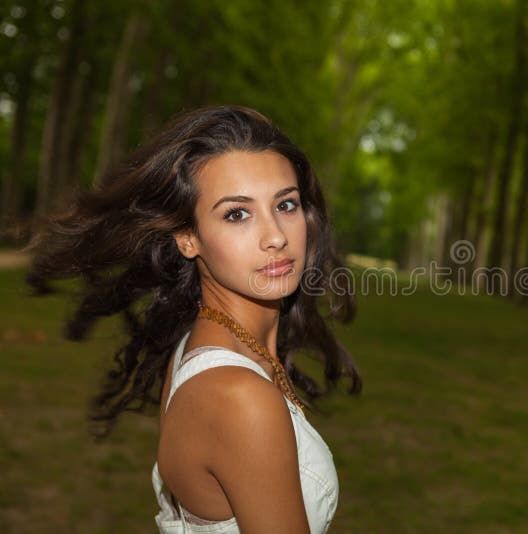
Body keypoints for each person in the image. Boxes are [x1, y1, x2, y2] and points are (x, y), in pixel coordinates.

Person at [25, 105, 361, 533]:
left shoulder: (205, 345)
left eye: (286, 204)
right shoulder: (239, 396)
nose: (276, 235)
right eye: (237, 213)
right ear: (187, 238)